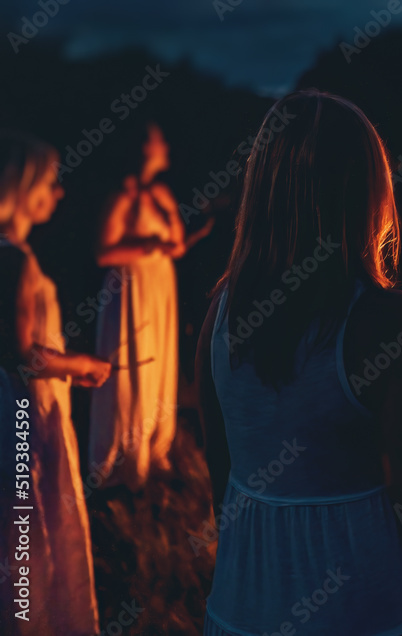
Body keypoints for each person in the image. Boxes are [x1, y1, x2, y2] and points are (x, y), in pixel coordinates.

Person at [198, 90, 402, 636]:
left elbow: (221, 467)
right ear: (369, 191)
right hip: (369, 602)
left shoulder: (222, 308)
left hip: (244, 598)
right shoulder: (391, 322)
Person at [0, 130, 110, 635]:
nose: (59, 192)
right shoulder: (16, 259)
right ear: (22, 186)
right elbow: (22, 356)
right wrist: (80, 366)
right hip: (24, 410)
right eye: (49, 181)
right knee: (29, 515)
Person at [90, 122, 212, 490]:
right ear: (142, 147)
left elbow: (174, 245)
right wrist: (149, 247)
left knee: (158, 363)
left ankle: (155, 452)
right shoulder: (121, 196)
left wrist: (182, 230)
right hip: (131, 288)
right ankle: (123, 465)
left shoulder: (160, 193)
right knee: (133, 366)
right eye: (158, 139)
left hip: (160, 286)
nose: (165, 146)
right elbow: (103, 252)